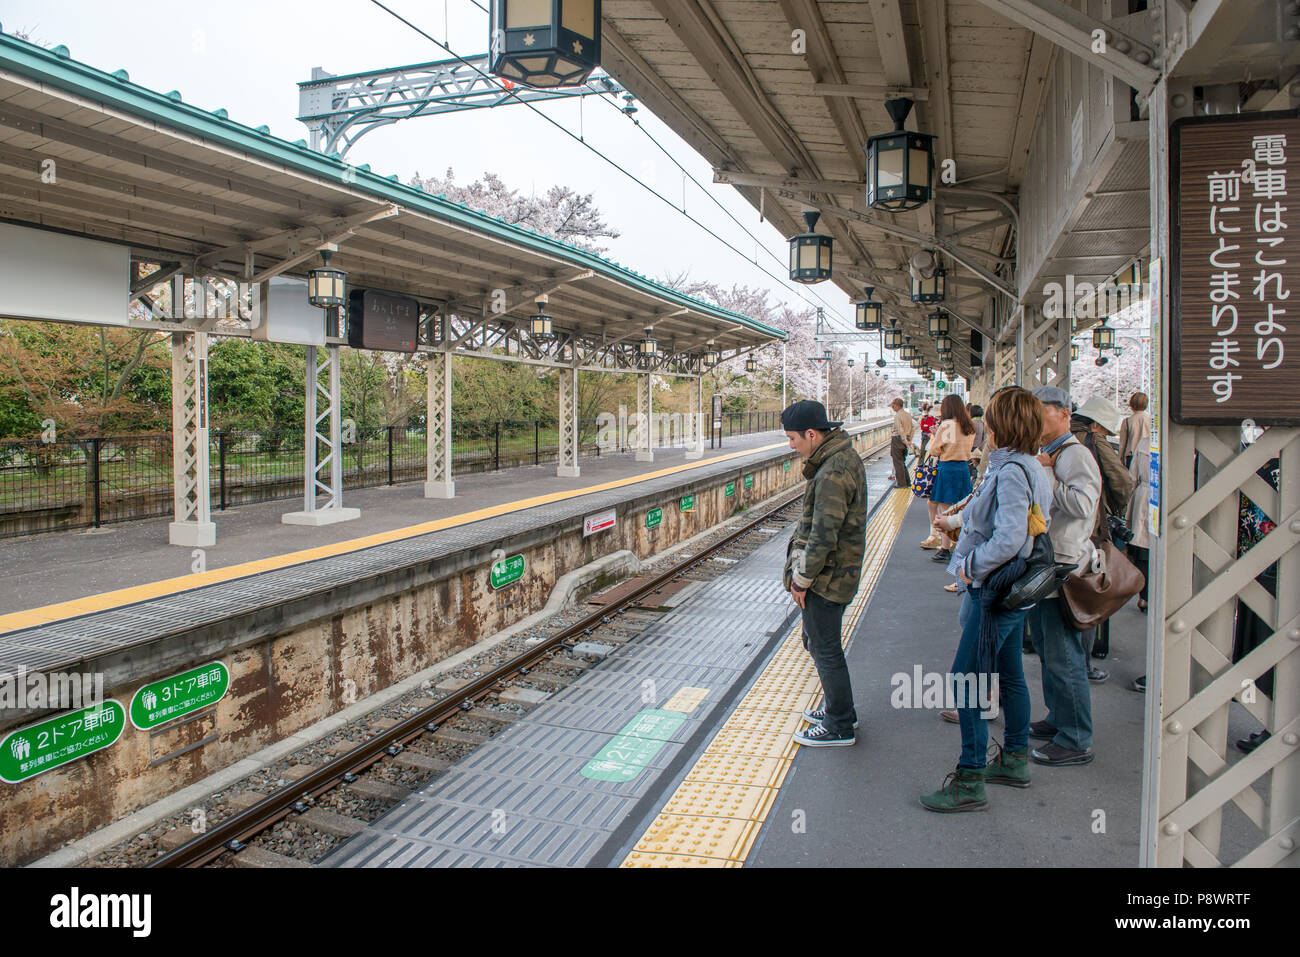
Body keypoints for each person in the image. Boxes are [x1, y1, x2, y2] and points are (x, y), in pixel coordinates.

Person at [919, 386, 1053, 812]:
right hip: (1014, 591)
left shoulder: (1011, 471)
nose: (983, 425)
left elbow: (1011, 537)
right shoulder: (1028, 465)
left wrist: (969, 566)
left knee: (966, 677)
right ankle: (1014, 759)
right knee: (1010, 672)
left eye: (990, 419)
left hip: (994, 589)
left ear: (1002, 425)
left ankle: (971, 776)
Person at [780, 400, 868, 747]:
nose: (791, 445)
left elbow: (822, 535)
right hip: (837, 572)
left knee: (825, 649)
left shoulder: (831, 472)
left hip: (830, 577)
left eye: (793, 439)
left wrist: (801, 580)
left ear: (812, 434)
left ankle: (839, 725)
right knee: (823, 646)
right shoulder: (838, 458)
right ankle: (840, 709)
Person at [1026, 385, 1102, 767]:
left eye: (1043, 412)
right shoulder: (1053, 454)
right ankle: (1058, 718)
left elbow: (1084, 505)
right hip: (1048, 561)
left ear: (1064, 413)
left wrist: (1048, 478)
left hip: (1065, 564)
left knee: (1064, 654)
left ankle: (1075, 738)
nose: (1037, 420)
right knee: (1046, 646)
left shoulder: (1074, 455)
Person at [1071, 396, 1136, 681]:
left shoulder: (1056, 437)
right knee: (1087, 596)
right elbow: (1123, 482)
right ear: (1096, 425)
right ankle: (1082, 665)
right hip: (1090, 531)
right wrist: (1115, 509)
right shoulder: (1093, 442)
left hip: (1054, 531)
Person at [925, 394, 977, 566]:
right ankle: (960, 544)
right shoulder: (969, 426)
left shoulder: (946, 425)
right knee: (961, 507)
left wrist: (935, 436)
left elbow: (934, 451)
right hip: (963, 468)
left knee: (946, 510)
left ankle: (945, 548)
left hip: (947, 469)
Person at [1118, 392, 1150, 470]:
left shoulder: (1127, 421)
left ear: (1131, 404)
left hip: (1131, 456)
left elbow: (1122, 444)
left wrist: (1120, 458)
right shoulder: (1150, 420)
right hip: (1147, 456)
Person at [889, 397, 915, 490]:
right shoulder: (908, 415)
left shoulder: (897, 416)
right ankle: (907, 481)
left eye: (893, 406)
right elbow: (913, 427)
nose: (892, 407)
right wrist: (908, 440)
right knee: (902, 461)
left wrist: (904, 439)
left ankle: (901, 483)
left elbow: (900, 429)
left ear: (896, 406)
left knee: (897, 462)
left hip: (898, 439)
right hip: (906, 438)